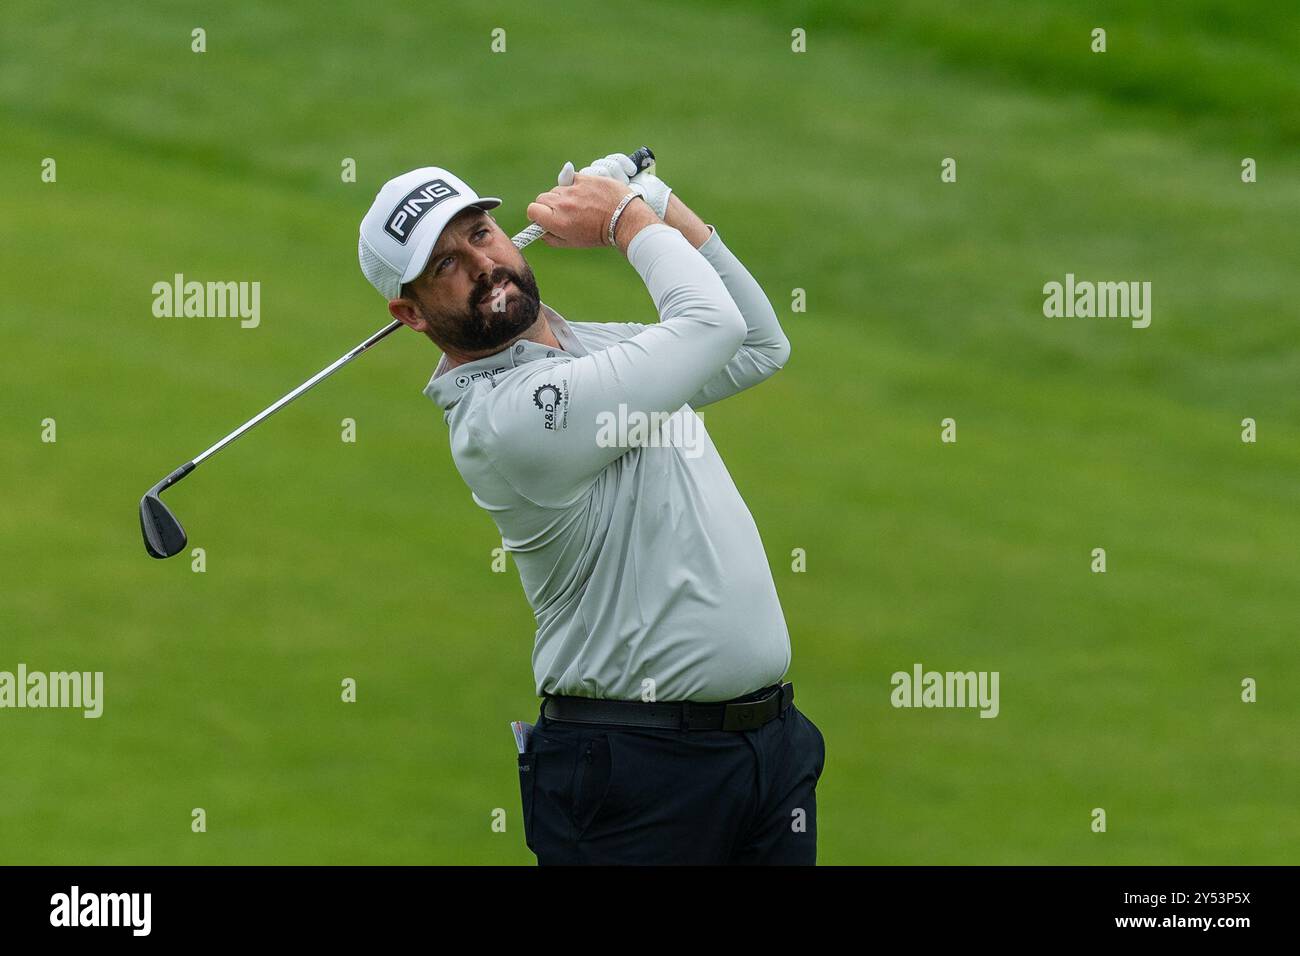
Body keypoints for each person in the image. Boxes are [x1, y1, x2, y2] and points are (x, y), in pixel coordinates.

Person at [357, 153, 825, 864]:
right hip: (636, 773)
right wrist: (623, 217)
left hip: (765, 753)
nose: (481, 265)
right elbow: (711, 327)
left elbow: (761, 343)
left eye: (481, 233)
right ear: (410, 313)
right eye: (445, 265)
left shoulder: (594, 351)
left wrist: (655, 197)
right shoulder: (508, 419)